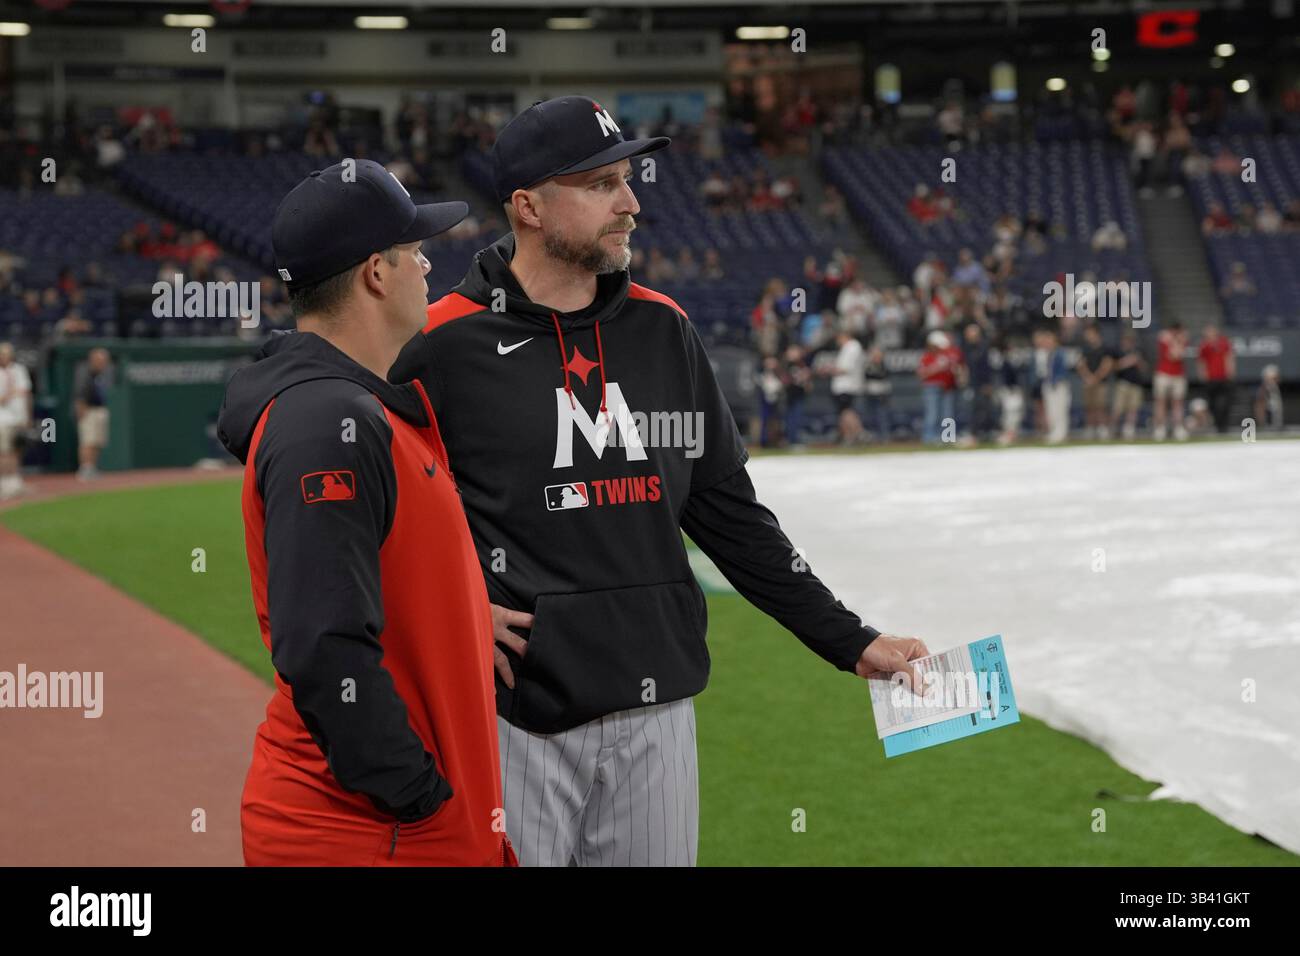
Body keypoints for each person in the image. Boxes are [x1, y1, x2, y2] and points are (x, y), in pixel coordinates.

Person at [388, 96, 930, 867]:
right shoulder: (441, 344)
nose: (632, 202)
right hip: (513, 715)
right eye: (602, 184)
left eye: (629, 180)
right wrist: (454, 604)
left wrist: (851, 641)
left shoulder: (663, 329)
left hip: (659, 708)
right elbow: (376, 520)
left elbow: (728, 516)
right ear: (528, 206)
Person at [215, 160, 515, 867]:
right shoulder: (327, 419)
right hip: (368, 834)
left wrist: (461, 611)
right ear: (376, 273)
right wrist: (414, 794)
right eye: (415, 253)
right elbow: (321, 642)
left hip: (396, 830)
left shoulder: (357, 406)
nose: (427, 268)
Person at [73, 347, 113, 480]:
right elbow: (79, 393)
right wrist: (80, 410)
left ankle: (92, 467)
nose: (103, 363)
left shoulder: (103, 374)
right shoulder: (84, 372)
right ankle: (85, 469)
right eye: (100, 360)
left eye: (105, 361)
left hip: (100, 409)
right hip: (88, 410)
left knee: (97, 441)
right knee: (87, 441)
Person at [0, 342, 32, 498]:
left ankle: (14, 481)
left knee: (17, 450)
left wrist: (28, 416)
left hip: (19, 418)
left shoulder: (19, 370)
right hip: (2, 419)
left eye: (7, 353)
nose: (4, 356)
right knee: (4, 451)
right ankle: (4, 484)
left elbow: (25, 393)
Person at [917, 330, 960, 444]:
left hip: (948, 386)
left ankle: (948, 438)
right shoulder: (926, 357)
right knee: (932, 414)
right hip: (932, 387)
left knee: (948, 414)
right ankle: (929, 438)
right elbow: (921, 374)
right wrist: (936, 367)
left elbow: (956, 368)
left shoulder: (946, 354)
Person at [825, 327, 865, 444]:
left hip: (847, 385)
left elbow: (845, 369)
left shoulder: (852, 347)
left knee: (846, 411)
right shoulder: (848, 348)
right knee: (843, 412)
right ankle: (849, 436)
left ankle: (859, 432)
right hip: (843, 386)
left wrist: (830, 370)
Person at [1032, 328, 1072, 444]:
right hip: (1049, 384)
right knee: (1051, 410)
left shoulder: (1060, 353)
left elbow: (1062, 370)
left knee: (1060, 409)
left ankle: (1061, 432)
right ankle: (1054, 431)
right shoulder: (1047, 354)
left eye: (1049, 340)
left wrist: (1056, 380)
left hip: (1058, 385)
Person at [1076, 324, 1114, 439]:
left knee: (1100, 406)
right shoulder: (1085, 349)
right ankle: (1090, 428)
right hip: (1087, 381)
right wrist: (1087, 377)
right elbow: (1081, 364)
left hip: (1101, 382)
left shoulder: (1105, 348)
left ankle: (1103, 428)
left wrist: (1096, 377)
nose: (1088, 336)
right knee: (1089, 406)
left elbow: (1107, 364)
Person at [1152, 322, 1189, 440]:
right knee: (1161, 402)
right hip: (1163, 374)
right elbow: (1171, 355)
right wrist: (1173, 340)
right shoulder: (1163, 339)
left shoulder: (1180, 340)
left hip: (1178, 375)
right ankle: (1160, 428)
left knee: (1177, 403)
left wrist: (1175, 340)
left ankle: (1178, 428)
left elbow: (1178, 355)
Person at [1197, 325, 1235, 434]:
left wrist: (1230, 371)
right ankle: (1218, 425)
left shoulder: (1224, 343)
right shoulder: (1204, 345)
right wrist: (1202, 374)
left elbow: (1229, 357)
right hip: (1211, 378)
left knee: (1226, 402)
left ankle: (1224, 425)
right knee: (1212, 403)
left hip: (1223, 377)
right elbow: (1201, 361)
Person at [1110, 330, 1147, 440]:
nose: (1128, 343)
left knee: (1133, 408)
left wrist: (1138, 361)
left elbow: (1144, 368)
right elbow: (1113, 367)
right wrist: (1127, 361)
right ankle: (1113, 428)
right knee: (1118, 408)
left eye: (1131, 341)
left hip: (1135, 384)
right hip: (1123, 383)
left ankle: (1129, 429)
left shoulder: (1137, 352)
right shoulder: (1118, 352)